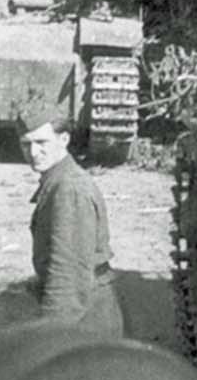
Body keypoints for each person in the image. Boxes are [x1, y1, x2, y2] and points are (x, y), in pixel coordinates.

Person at [17, 108, 125, 337]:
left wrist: (51, 334)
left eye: (41, 142)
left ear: (64, 139)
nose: (33, 152)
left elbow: (68, 274)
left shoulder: (69, 189)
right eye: (26, 144)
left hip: (85, 319)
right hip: (84, 310)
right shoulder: (59, 179)